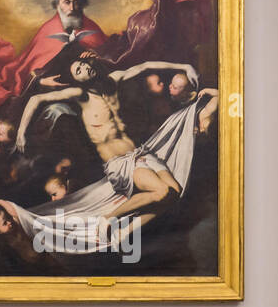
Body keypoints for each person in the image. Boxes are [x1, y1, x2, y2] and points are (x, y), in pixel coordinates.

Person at [15, 49, 216, 229]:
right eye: (79, 71)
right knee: (162, 192)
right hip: (120, 164)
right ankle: (107, 219)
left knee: (175, 193)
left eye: (84, 64)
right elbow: (36, 99)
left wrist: (185, 66)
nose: (84, 68)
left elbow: (145, 66)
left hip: (142, 154)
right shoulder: (80, 95)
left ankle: (124, 233)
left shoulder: (114, 80)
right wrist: (21, 134)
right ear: (78, 80)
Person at [0, 0, 109, 109]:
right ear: (57, 4)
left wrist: (94, 55)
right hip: (52, 93)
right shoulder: (48, 30)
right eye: (67, 2)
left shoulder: (91, 28)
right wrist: (41, 81)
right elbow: (27, 69)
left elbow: (108, 55)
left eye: (76, 2)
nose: (72, 7)